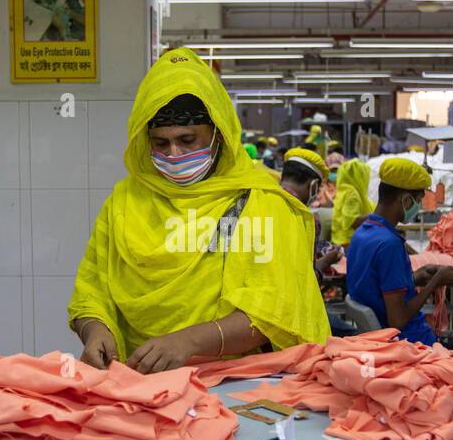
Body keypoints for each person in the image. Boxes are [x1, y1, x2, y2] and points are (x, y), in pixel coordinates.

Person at [69, 47, 328, 373]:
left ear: (218, 135)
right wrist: (95, 330)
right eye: (160, 143)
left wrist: (189, 342)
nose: (174, 154)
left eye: (188, 139)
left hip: (230, 389)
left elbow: (276, 311)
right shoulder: (123, 203)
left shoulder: (258, 203)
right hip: (138, 383)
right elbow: (92, 289)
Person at [346, 158, 453, 344]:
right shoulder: (389, 244)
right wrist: (436, 282)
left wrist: (415, 277)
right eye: (418, 201)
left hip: (383, 338)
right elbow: (398, 320)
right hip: (412, 343)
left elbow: (374, 285)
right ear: (407, 201)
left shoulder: (363, 232)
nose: (418, 207)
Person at [280, 147, 342, 280]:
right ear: (313, 185)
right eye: (318, 189)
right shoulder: (308, 220)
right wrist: (324, 262)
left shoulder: (256, 201)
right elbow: (307, 281)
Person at [331, 158, 373, 246]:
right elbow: (351, 221)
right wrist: (377, 215)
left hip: (338, 239)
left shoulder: (344, 189)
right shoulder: (352, 193)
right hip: (348, 242)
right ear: (358, 176)